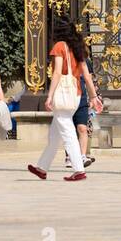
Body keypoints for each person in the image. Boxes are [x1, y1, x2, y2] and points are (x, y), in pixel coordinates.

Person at [29, 19, 89, 181]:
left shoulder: (59, 47)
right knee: (54, 136)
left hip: (63, 95)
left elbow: (56, 73)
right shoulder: (78, 47)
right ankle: (42, 167)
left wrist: (49, 96)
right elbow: (86, 74)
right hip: (75, 93)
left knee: (68, 132)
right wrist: (94, 96)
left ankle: (78, 169)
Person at [69, 54, 103, 166]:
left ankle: (83, 155)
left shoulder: (85, 60)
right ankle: (69, 156)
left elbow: (91, 80)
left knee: (84, 128)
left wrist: (95, 97)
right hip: (68, 99)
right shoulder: (63, 59)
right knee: (70, 130)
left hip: (84, 99)